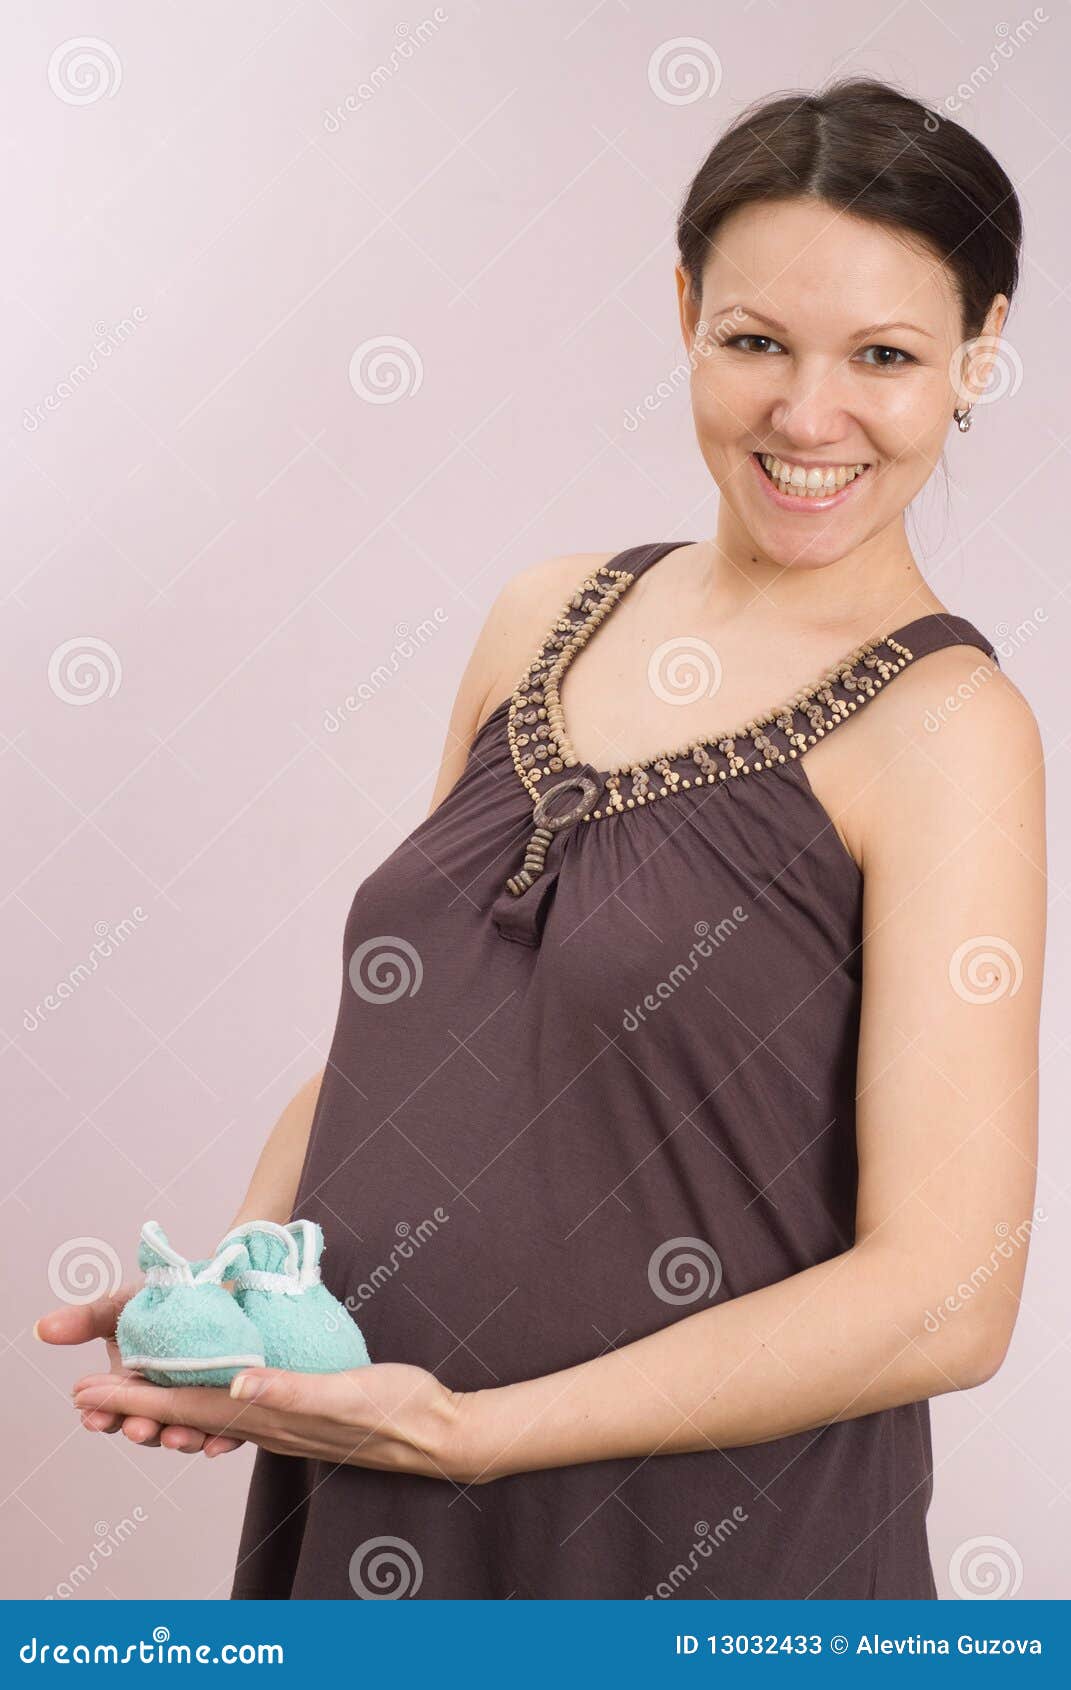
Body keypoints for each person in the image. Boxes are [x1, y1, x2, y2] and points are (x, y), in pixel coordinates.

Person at [41, 75, 1045, 1600]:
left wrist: (483, 1431)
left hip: (699, 1554)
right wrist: (246, 1289)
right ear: (686, 309)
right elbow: (411, 1037)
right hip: (380, 1482)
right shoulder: (543, 616)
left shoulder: (950, 727)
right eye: (756, 340)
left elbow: (945, 1299)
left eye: (886, 357)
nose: (807, 414)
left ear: (978, 355)